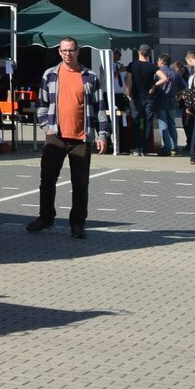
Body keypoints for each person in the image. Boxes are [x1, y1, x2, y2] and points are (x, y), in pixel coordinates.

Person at [25, 39, 111, 239]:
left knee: (80, 184)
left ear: (78, 52)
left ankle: (78, 224)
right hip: (56, 136)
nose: (67, 54)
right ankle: (45, 218)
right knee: (47, 180)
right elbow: (42, 104)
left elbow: (99, 108)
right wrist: (46, 127)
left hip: (81, 138)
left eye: (71, 50)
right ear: (59, 52)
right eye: (64, 51)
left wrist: (102, 135)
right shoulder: (50, 75)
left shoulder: (90, 76)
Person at [125, 45, 157, 155]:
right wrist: (154, 86)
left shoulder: (132, 65)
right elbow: (164, 78)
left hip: (136, 97)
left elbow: (128, 80)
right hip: (149, 98)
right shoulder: (152, 66)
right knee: (148, 123)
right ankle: (145, 149)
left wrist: (128, 92)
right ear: (149, 54)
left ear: (139, 52)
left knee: (136, 123)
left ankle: (136, 148)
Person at [150, 55, 181, 157]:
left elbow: (152, 86)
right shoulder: (175, 74)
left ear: (162, 62)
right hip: (172, 101)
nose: (157, 62)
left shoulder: (158, 73)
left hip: (161, 100)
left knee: (163, 124)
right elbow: (185, 87)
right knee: (172, 123)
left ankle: (167, 146)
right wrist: (178, 97)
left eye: (158, 61)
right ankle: (174, 146)